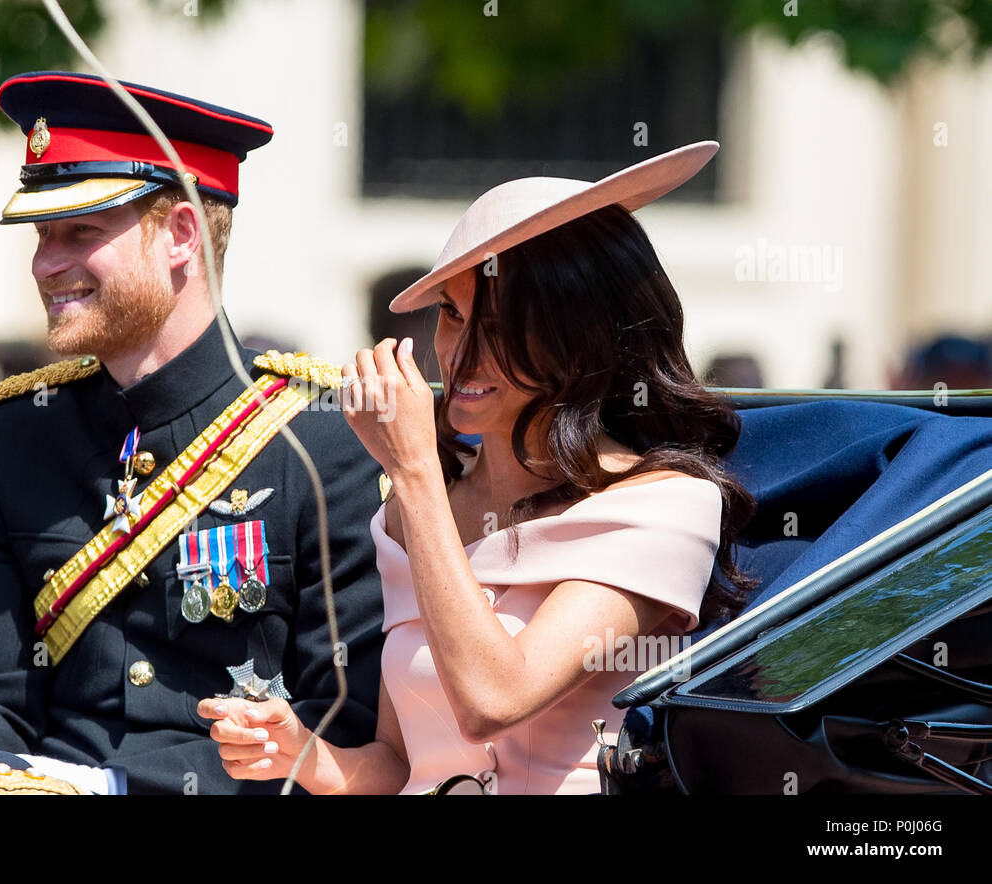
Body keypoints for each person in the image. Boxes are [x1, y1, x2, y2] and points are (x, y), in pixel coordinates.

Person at [0, 72, 386, 795]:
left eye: (80, 232)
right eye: (43, 236)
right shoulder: (16, 434)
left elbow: (344, 737)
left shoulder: (322, 440)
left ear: (179, 235)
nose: (45, 265)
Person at [201, 142, 758, 794]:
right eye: (452, 316)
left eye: (497, 325)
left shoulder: (666, 504)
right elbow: (401, 767)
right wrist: (304, 755)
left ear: (582, 337)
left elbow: (494, 697)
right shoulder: (418, 508)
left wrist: (414, 473)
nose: (460, 355)